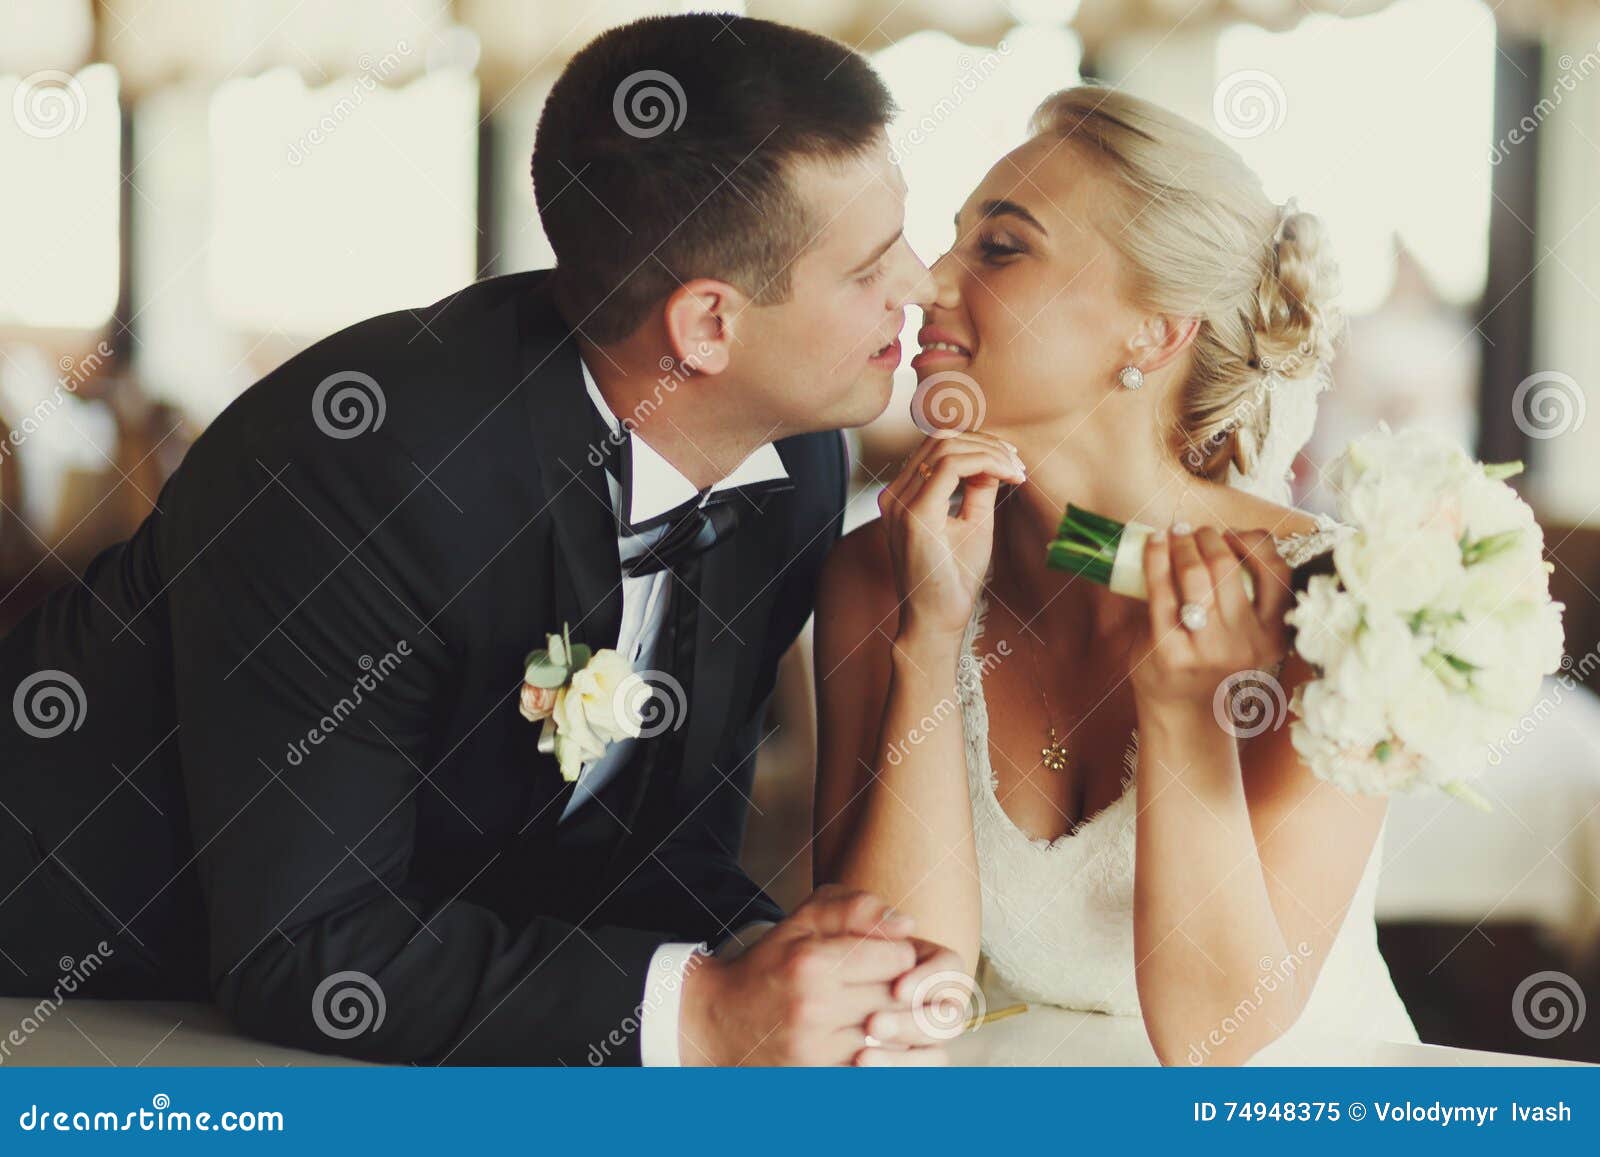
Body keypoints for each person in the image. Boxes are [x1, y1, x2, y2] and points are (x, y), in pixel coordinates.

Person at [0, 14, 958, 1067]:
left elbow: (666, 850)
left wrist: (781, 962)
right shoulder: (359, 471)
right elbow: (308, 950)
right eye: (870, 267)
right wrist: (710, 1010)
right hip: (76, 972)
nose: (919, 284)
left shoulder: (789, 454)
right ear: (706, 328)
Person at [814, 85, 1418, 1065]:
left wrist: (1182, 707)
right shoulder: (878, 570)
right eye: (951, 241)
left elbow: (1219, 1037)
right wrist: (927, 643)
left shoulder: (1334, 604)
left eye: (1000, 248)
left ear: (1155, 331)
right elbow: (890, 994)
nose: (926, 281)